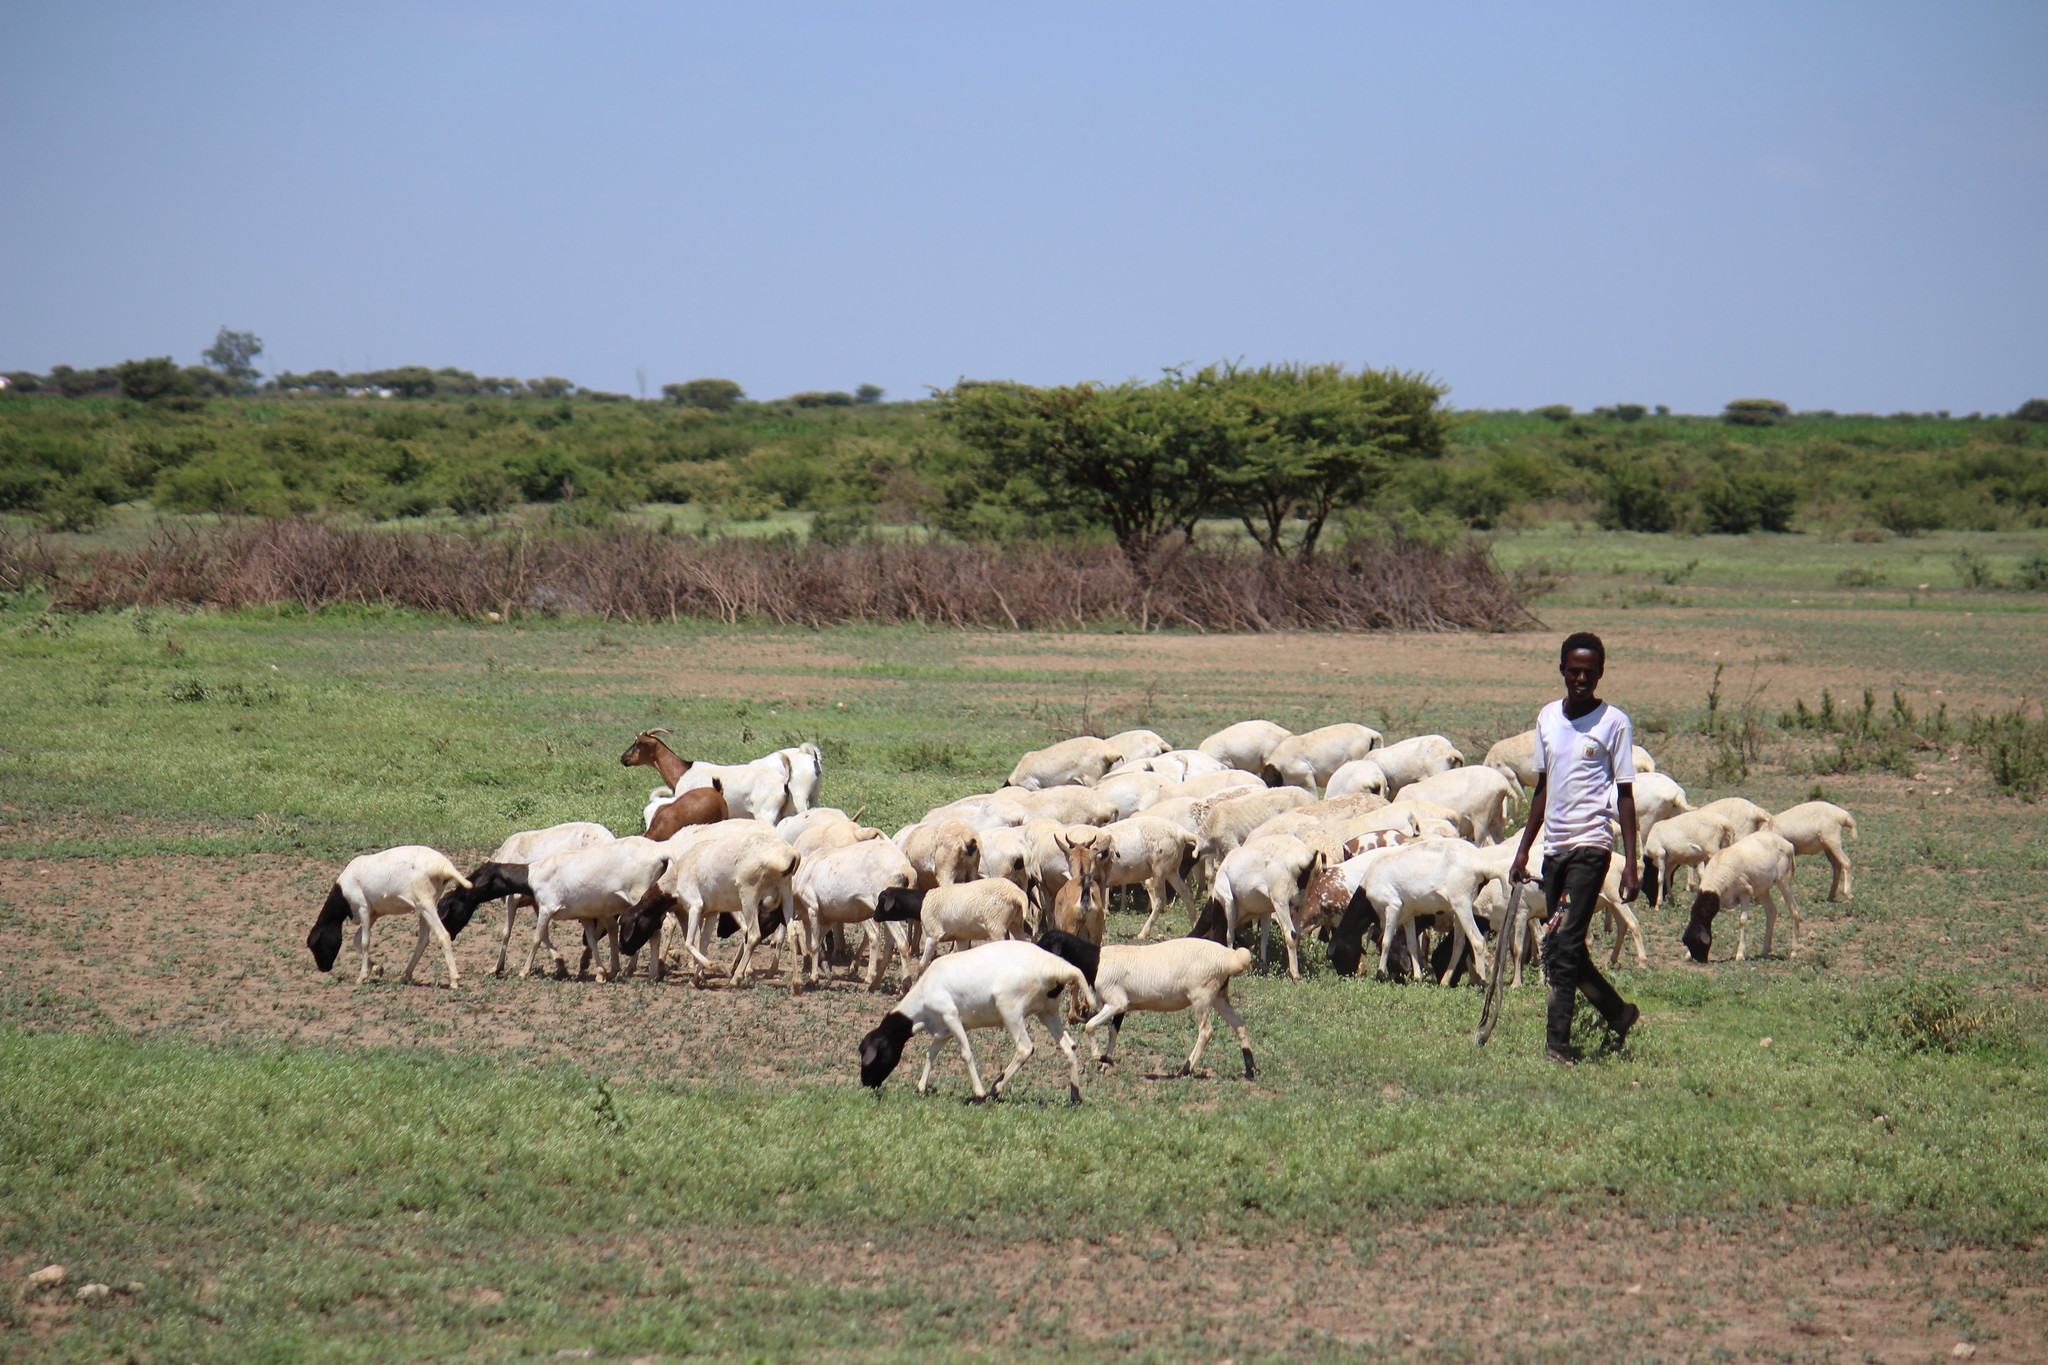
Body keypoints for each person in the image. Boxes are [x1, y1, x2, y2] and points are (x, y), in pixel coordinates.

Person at [1507, 632, 1641, 1065]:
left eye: (1589, 672)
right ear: (1562, 669)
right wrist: (1523, 850)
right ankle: (1618, 1013)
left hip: (1592, 846)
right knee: (1561, 946)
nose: (1581, 678)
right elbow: (1543, 788)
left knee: (1562, 944)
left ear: (1601, 673)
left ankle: (1557, 1046)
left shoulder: (1614, 723)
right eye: (1574, 670)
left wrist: (1631, 863)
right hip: (1555, 848)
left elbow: (1625, 794)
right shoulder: (1547, 717)